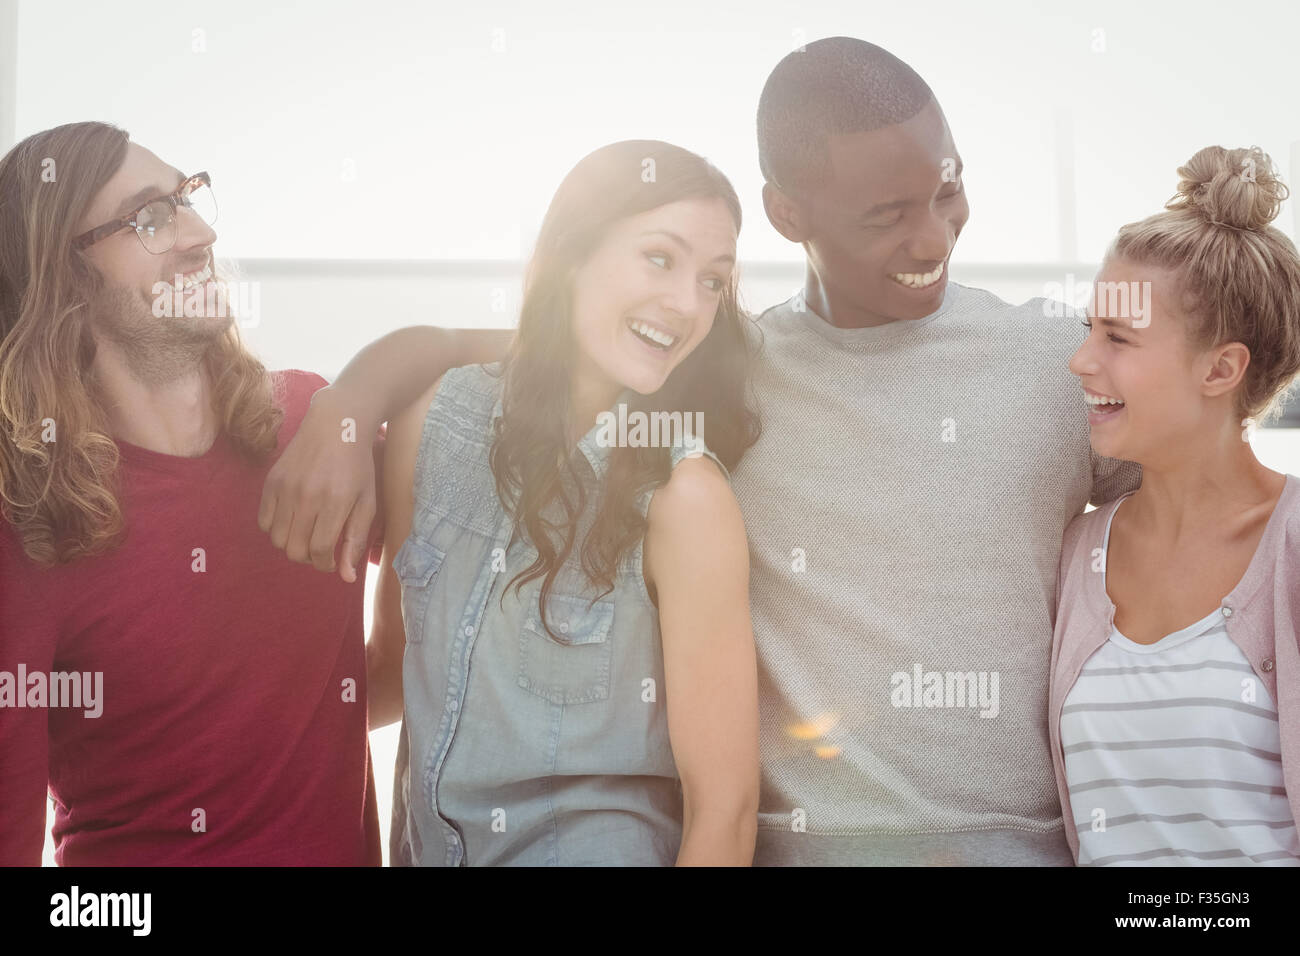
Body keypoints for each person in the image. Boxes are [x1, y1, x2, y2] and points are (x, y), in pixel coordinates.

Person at [261, 37, 1141, 865]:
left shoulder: (1055, 364)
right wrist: (349, 407)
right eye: (889, 213)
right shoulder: (732, 371)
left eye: (948, 193)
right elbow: (506, 350)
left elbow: (1213, 481)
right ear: (788, 214)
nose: (935, 238)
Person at [0, 121, 414, 864]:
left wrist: (363, 391)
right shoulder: (27, 529)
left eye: (188, 197)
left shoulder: (307, 425)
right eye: (150, 217)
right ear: (62, 273)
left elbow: (394, 669)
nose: (197, 234)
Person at [369, 140, 760, 866]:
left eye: (713, 281)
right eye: (660, 258)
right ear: (573, 252)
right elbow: (396, 668)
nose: (686, 304)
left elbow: (726, 810)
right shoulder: (432, 424)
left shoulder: (685, 500)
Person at [1051, 145, 1300, 866]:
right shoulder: (1078, 555)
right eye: (1087, 328)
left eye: (1118, 339)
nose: (1082, 361)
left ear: (1220, 369)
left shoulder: (1288, 548)